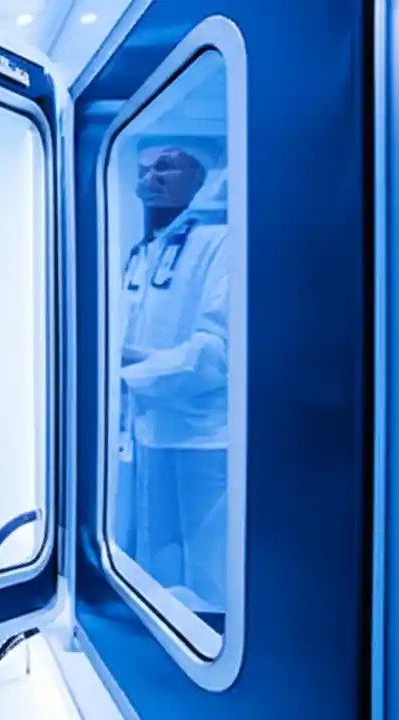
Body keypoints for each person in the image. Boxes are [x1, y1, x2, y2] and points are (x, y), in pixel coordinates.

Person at [120, 145, 229, 614]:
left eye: (166, 166)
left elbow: (216, 354)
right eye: (144, 169)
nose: (151, 177)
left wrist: (127, 373)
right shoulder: (145, 251)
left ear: (200, 177)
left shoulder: (221, 241)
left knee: (211, 569)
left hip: (205, 435)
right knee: (152, 557)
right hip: (149, 430)